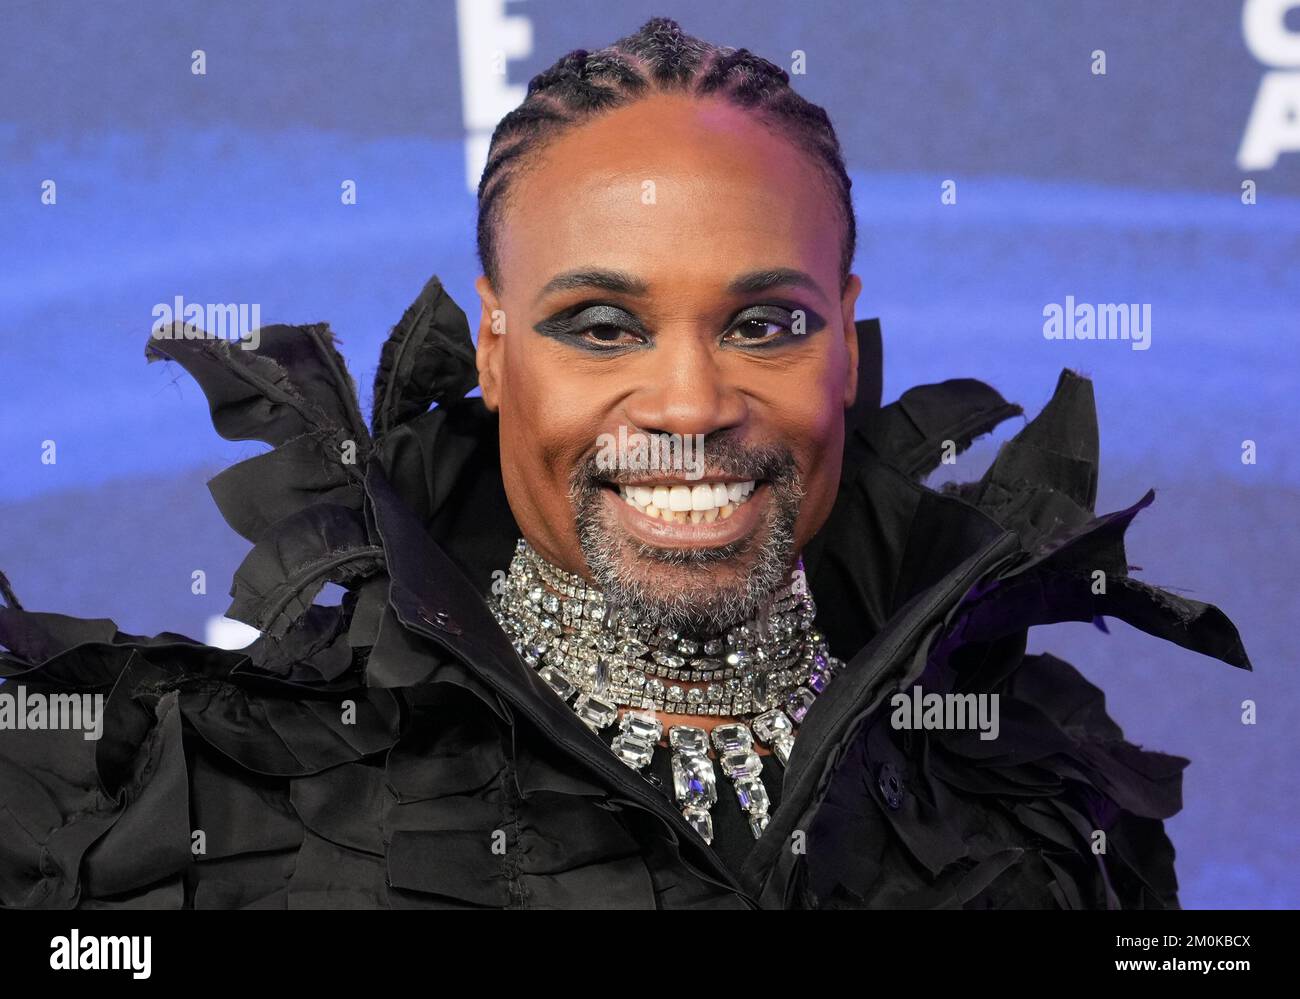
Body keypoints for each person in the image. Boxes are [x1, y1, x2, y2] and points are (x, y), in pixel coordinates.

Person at [0, 17, 1249, 909]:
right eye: (603, 327)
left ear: (848, 345)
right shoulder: (230, 803)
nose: (692, 402)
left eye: (766, 323)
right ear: (493, 351)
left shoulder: (1030, 793)